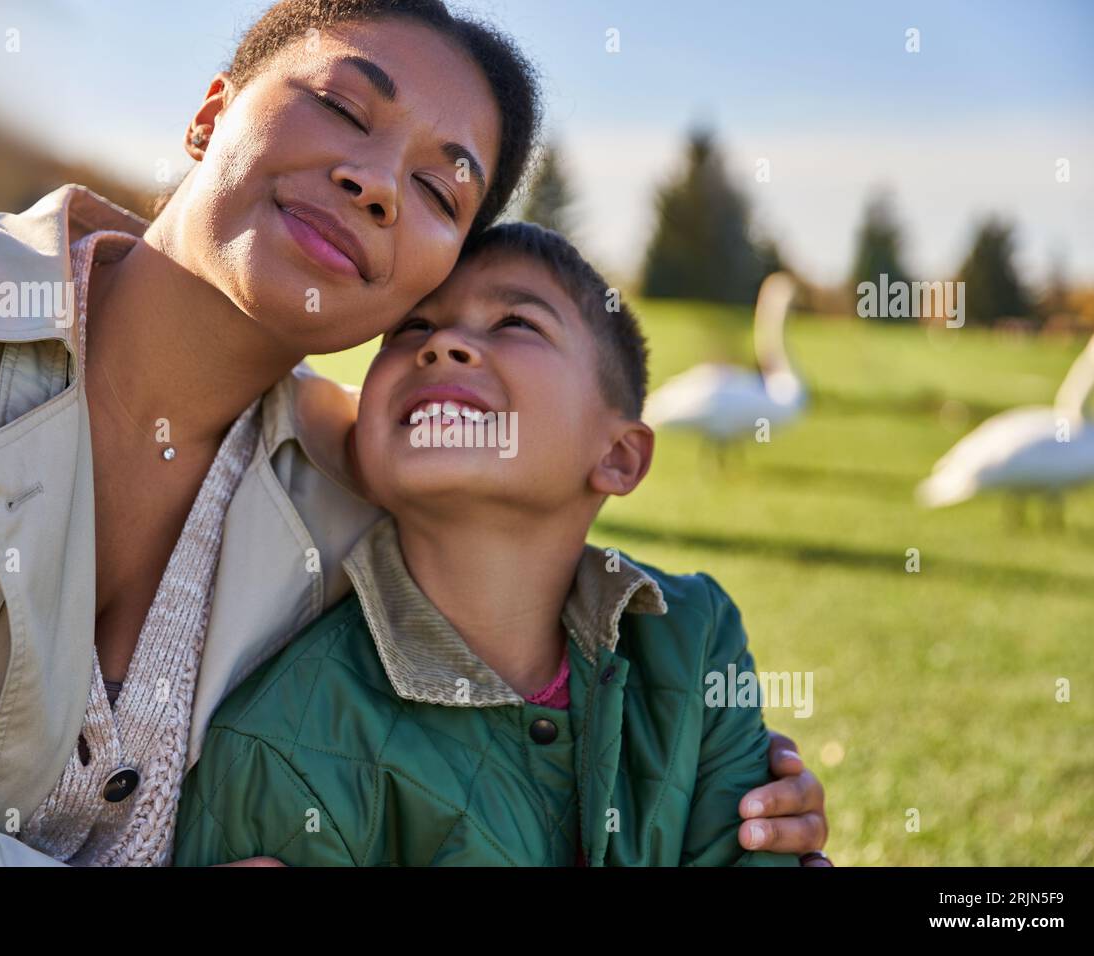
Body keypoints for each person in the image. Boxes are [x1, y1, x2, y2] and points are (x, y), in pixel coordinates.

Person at [0, 0, 826, 866]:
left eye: (441, 190)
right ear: (210, 115)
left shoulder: (363, 492)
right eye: (342, 106)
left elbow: (548, 628)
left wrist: (723, 778)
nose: (378, 181)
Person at [173, 223, 807, 865]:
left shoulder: (695, 638)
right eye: (412, 328)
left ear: (618, 457)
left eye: (515, 324)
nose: (444, 343)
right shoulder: (282, 747)